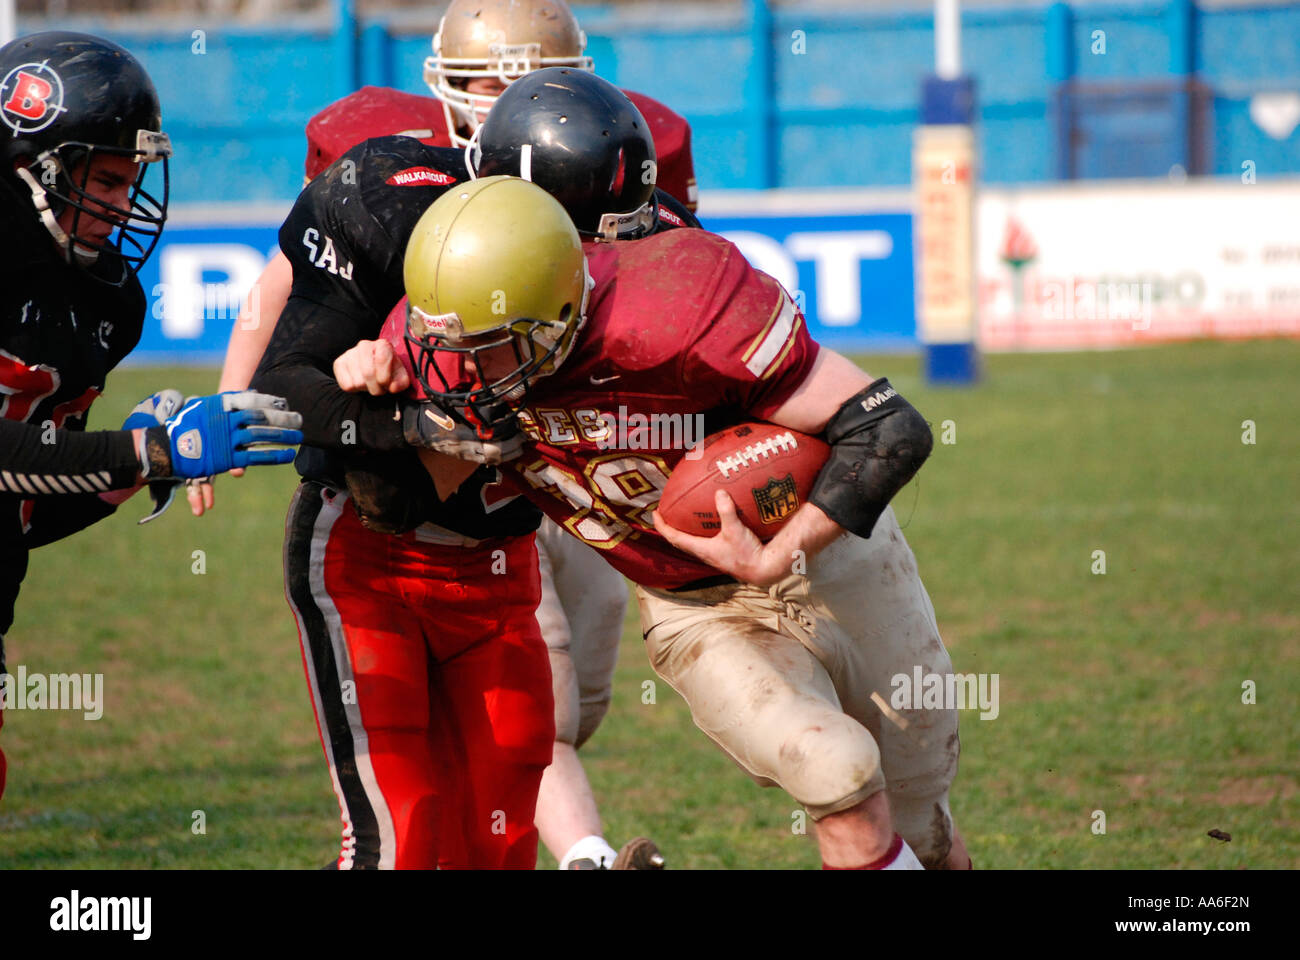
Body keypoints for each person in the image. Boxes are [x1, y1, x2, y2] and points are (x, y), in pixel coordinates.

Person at [354, 165, 973, 868]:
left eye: (491, 343)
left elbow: (889, 430)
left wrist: (780, 552)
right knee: (837, 774)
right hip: (695, 608)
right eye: (450, 347)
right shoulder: (434, 348)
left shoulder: (673, 311)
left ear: (559, 313)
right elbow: (390, 505)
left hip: (826, 557)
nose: (464, 369)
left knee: (923, 824)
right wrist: (385, 417)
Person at [220, 8, 697, 866]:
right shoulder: (388, 200)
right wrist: (393, 415)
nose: (591, 253)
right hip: (371, 546)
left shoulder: (641, 222)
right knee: (402, 834)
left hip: (501, 556)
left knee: (502, 837)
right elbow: (286, 377)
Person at [0, 31, 302, 803]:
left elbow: (24, 511)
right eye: (104, 179)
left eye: (131, 179)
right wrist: (143, 452)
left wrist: (130, 472)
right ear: (32, 164)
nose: (122, 203)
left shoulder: (107, 303)